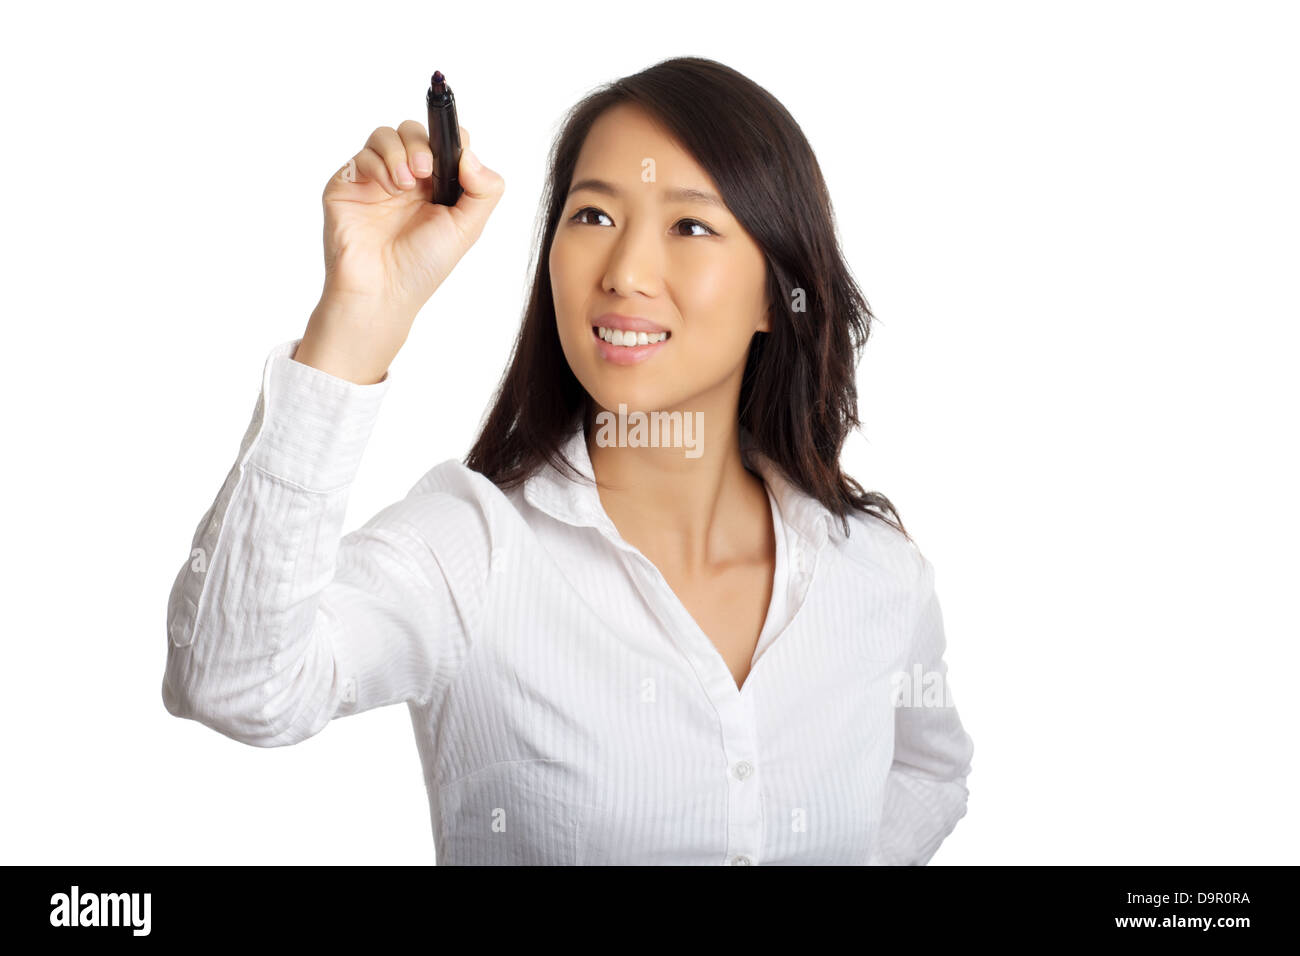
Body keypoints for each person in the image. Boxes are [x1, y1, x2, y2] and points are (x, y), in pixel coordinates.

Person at [163, 56, 975, 865]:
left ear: (776, 291)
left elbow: (930, 772)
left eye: (690, 227)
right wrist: (354, 320)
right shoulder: (471, 550)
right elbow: (237, 684)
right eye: (592, 217)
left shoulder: (874, 573)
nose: (623, 273)